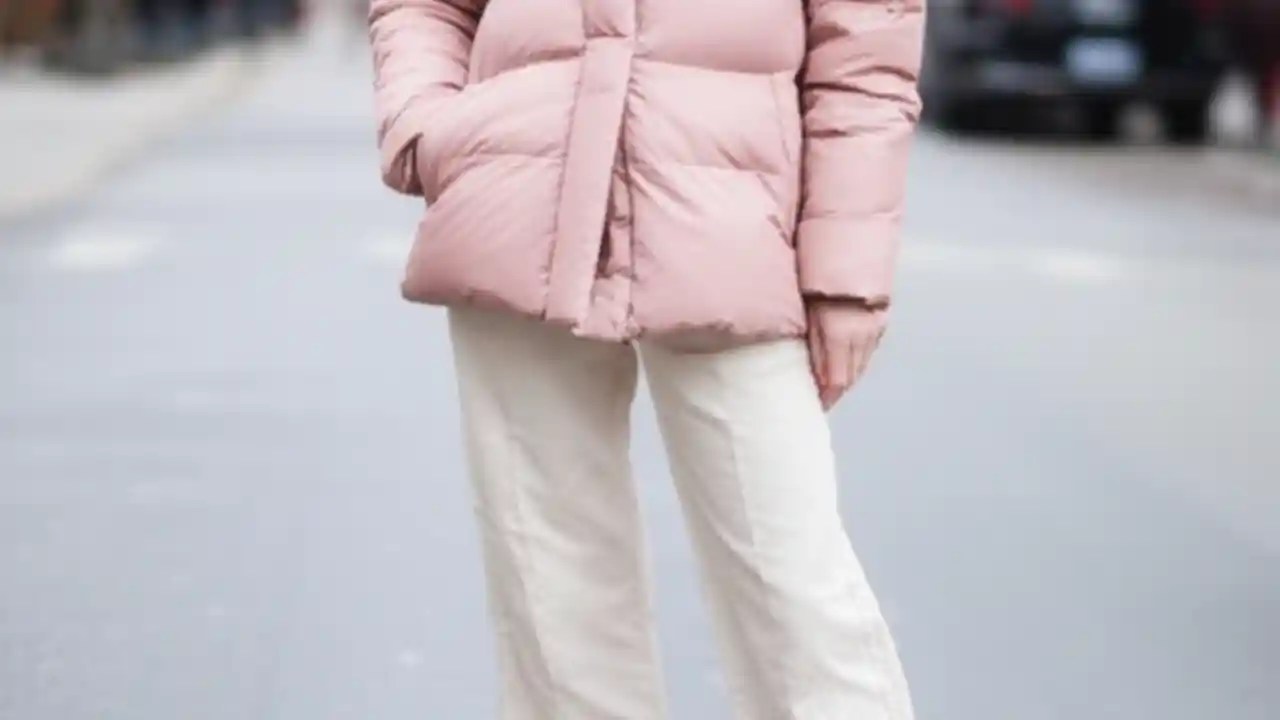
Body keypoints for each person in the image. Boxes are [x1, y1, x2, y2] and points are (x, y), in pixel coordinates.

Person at [367, 1, 926, 717]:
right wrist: (427, 126)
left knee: (792, 580)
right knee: (552, 588)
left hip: (734, 228)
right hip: (516, 200)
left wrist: (847, 276)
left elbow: (865, 59)